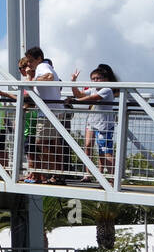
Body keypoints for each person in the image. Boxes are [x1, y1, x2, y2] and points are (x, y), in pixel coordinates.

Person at [69, 64, 118, 180]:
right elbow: (79, 94)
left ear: (105, 80)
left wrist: (76, 101)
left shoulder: (107, 90)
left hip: (103, 126)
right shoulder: (93, 89)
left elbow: (93, 98)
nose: (95, 81)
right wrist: (73, 82)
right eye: (93, 78)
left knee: (105, 151)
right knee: (87, 145)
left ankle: (112, 178)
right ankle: (89, 173)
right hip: (92, 123)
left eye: (98, 78)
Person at [25, 46, 64, 183]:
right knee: (53, 144)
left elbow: (49, 76)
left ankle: (53, 172)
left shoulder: (42, 67)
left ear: (38, 59)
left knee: (41, 142)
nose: (28, 64)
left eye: (30, 61)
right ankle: (57, 174)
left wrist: (31, 78)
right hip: (53, 111)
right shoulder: (45, 66)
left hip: (47, 112)